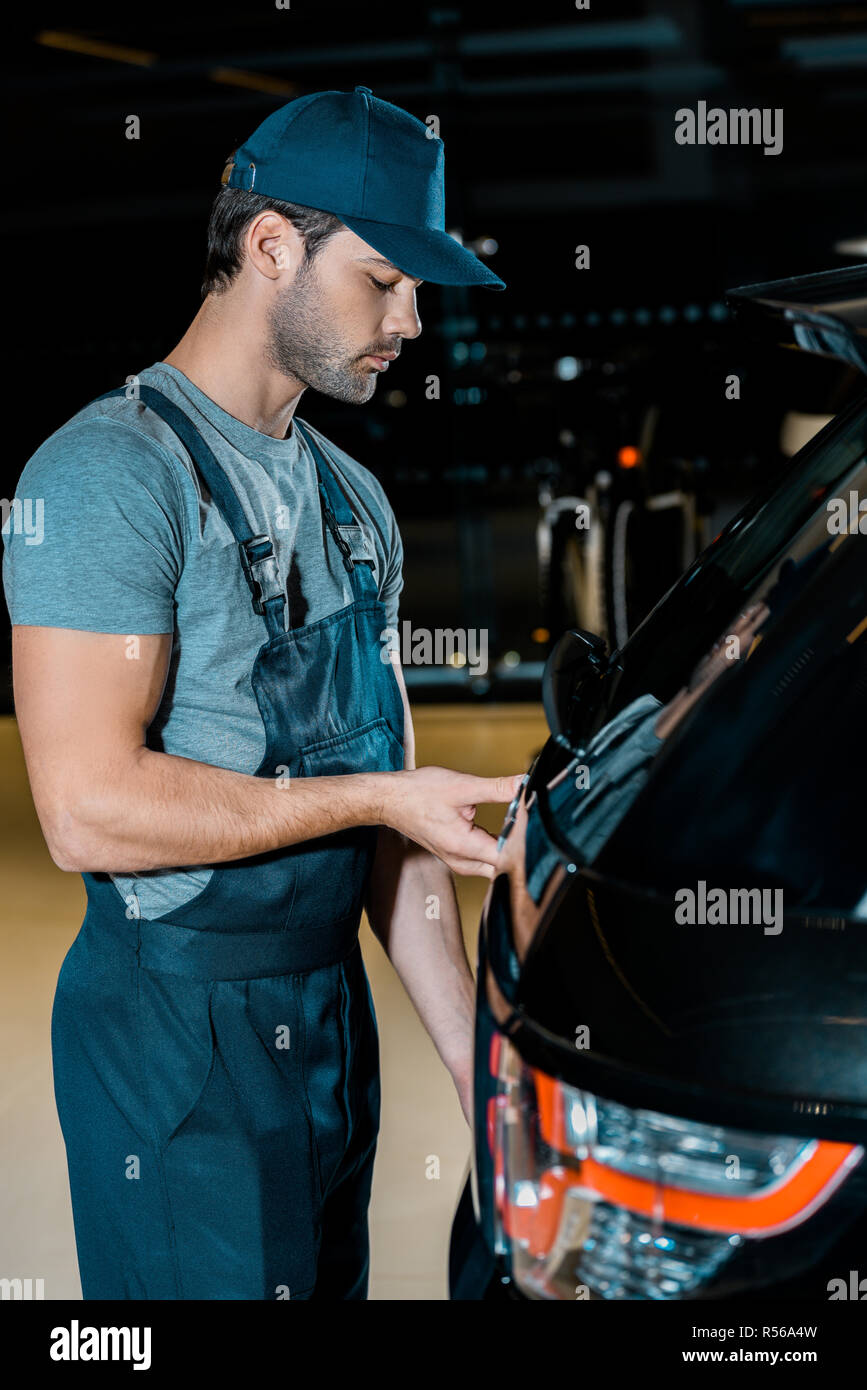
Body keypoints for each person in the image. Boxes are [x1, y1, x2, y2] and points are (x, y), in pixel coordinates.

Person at [2, 85, 521, 1301]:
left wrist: (470, 1063)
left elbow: (394, 824)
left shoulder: (356, 503)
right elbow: (86, 806)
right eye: (387, 280)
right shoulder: (108, 475)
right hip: (179, 1034)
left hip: (325, 1015)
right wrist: (377, 794)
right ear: (272, 247)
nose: (412, 320)